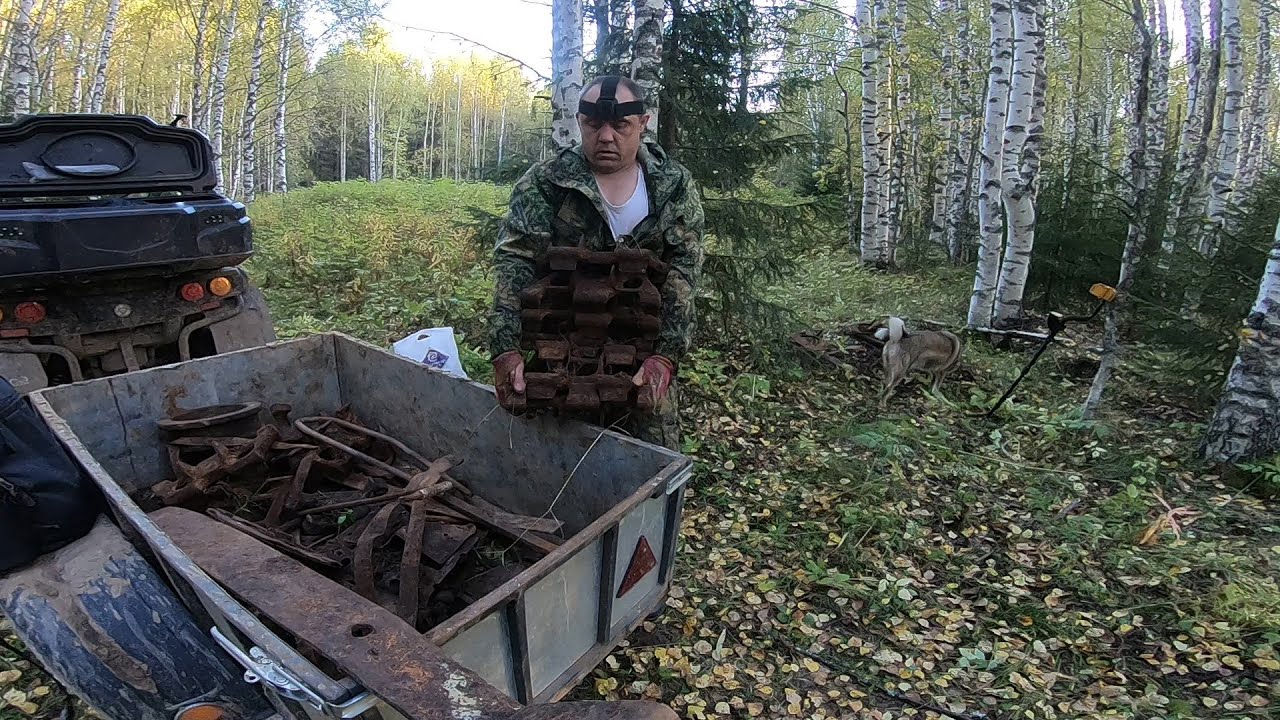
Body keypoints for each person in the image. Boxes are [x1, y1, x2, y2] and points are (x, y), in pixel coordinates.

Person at [487, 75, 705, 451]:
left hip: (641, 361)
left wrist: (666, 358)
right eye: (593, 124)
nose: (606, 136)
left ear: (643, 123)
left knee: (648, 471)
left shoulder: (672, 185)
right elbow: (515, 261)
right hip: (558, 359)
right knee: (551, 463)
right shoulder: (547, 183)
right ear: (579, 122)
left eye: (620, 125)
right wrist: (505, 348)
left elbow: (683, 272)